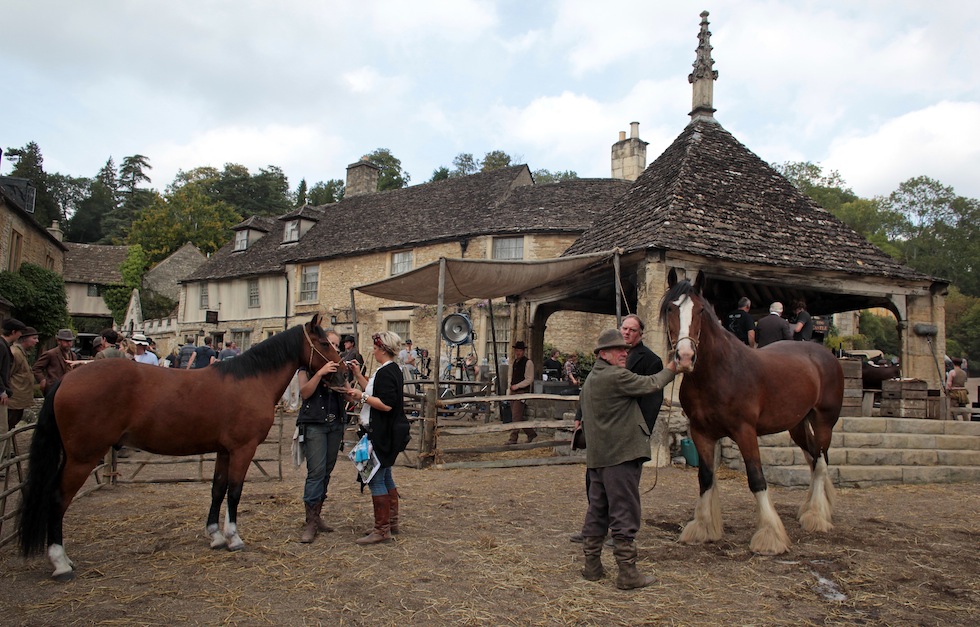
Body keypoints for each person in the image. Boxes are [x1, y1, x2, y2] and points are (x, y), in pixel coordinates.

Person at [578, 329, 677, 590]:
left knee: (598, 511)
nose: (625, 353)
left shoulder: (591, 379)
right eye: (618, 350)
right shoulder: (615, 375)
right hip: (620, 458)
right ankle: (627, 573)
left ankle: (592, 567)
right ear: (603, 354)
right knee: (625, 513)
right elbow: (651, 384)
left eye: (626, 349)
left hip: (599, 460)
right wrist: (674, 367)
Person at [346, 331, 411, 545]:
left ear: (382, 349)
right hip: (383, 431)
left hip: (381, 432)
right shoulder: (388, 370)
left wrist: (361, 396)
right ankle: (390, 523)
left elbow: (385, 404)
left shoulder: (387, 372)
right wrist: (358, 376)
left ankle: (382, 530)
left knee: (375, 479)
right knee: (386, 476)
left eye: (375, 348)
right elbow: (375, 392)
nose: (372, 351)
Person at [296, 329, 345, 543]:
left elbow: (347, 391)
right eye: (331, 344)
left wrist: (348, 384)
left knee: (326, 471)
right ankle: (310, 521)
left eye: (337, 345)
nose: (335, 348)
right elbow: (305, 393)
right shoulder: (305, 367)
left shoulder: (339, 367)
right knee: (315, 472)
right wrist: (320, 373)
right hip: (315, 423)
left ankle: (317, 515)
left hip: (335, 424)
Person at [1, 318, 27, 452]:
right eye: (19, 332)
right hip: (1, 394)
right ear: (13, 332)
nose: (20, 335)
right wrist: (2, 391)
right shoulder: (2, 346)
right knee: (2, 429)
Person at [505, 340, 536, 445]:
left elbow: (529, 379)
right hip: (514, 392)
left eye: (520, 351)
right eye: (516, 350)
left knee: (516, 416)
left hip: (521, 392)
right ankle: (531, 433)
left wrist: (517, 386)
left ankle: (513, 438)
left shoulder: (528, 363)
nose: (518, 353)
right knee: (518, 416)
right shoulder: (515, 362)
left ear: (523, 351)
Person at [8, 326, 39, 430]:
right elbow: (6, 375)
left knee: (11, 426)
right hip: (12, 400)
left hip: (18, 400)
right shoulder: (15, 353)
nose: (37, 341)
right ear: (25, 338)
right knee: (6, 426)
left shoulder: (22, 353)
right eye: (34, 338)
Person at [32, 329, 75, 394]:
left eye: (70, 341)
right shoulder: (51, 354)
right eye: (66, 341)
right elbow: (36, 368)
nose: (69, 343)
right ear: (58, 341)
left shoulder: (73, 355)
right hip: (53, 388)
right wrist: (42, 381)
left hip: (68, 387)